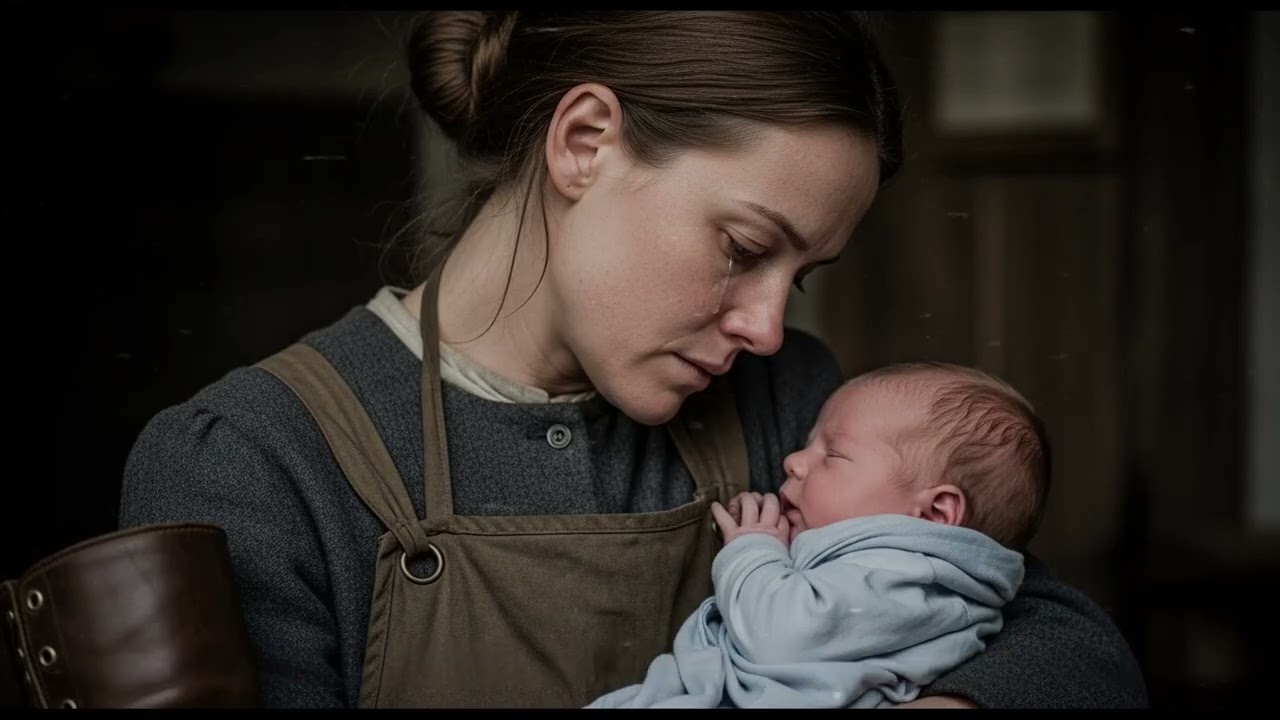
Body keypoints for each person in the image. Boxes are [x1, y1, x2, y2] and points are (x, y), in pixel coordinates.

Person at [117, 10, 1148, 709]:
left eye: (800, 276)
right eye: (743, 249)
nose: (764, 325)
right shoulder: (250, 461)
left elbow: (1075, 651)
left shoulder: (790, 404)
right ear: (584, 143)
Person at [587, 363, 1046, 708]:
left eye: (834, 454)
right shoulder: (899, 577)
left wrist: (754, 549)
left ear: (934, 513)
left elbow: (778, 635)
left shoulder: (911, 581)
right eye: (808, 442)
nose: (793, 460)